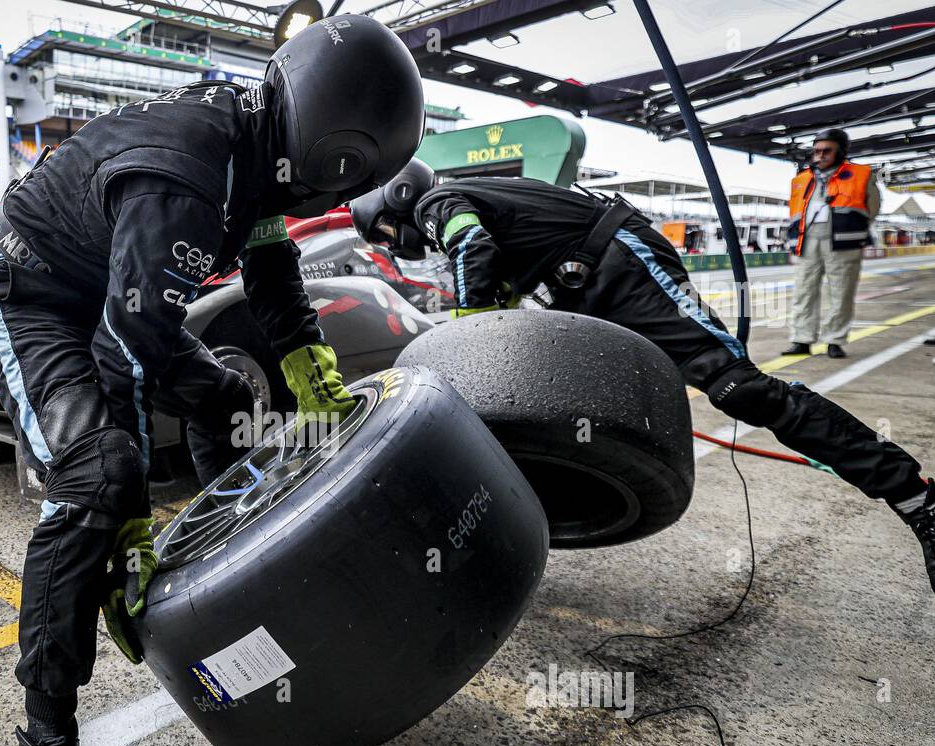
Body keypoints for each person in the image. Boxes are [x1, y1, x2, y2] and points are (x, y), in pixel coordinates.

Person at [0, 14, 424, 746]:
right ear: (334, 156)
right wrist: (133, 535)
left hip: (113, 290)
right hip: (26, 294)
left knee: (228, 393)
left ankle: (235, 566)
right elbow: (123, 359)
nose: (325, 206)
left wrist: (317, 380)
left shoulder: (260, 140)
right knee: (102, 472)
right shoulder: (192, 176)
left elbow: (273, 271)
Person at [350, 160, 935, 595]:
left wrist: (467, 337)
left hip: (619, 265)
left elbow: (471, 250)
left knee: (739, 388)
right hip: (585, 281)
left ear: (397, 201)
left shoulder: (441, 202)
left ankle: (913, 496)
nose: (392, 245)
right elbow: (498, 298)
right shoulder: (485, 207)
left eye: (382, 233)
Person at [783, 129, 880, 359]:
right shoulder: (801, 179)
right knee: (803, 292)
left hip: (843, 244)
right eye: (817, 151)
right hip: (807, 243)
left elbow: (872, 208)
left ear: (841, 151)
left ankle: (834, 341)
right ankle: (801, 339)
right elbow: (796, 212)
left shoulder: (861, 174)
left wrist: (852, 229)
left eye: (827, 151)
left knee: (841, 293)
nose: (821, 155)